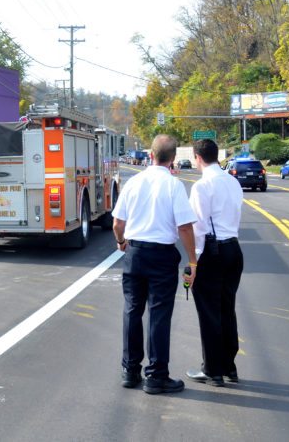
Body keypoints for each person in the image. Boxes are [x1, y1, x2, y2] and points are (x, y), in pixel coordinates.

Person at [112, 134, 198, 395]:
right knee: (158, 315)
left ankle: (130, 370)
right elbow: (184, 226)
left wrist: (121, 242)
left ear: (150, 154)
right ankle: (156, 376)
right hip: (162, 256)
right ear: (173, 159)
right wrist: (192, 259)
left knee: (132, 311)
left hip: (135, 253)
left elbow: (117, 224)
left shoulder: (134, 182)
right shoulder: (174, 186)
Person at [185, 139, 244, 387]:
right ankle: (229, 366)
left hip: (212, 250)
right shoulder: (233, 181)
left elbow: (197, 227)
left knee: (209, 312)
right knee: (226, 308)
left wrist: (193, 262)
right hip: (233, 248)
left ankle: (212, 370)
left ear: (198, 157)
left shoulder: (202, 186)